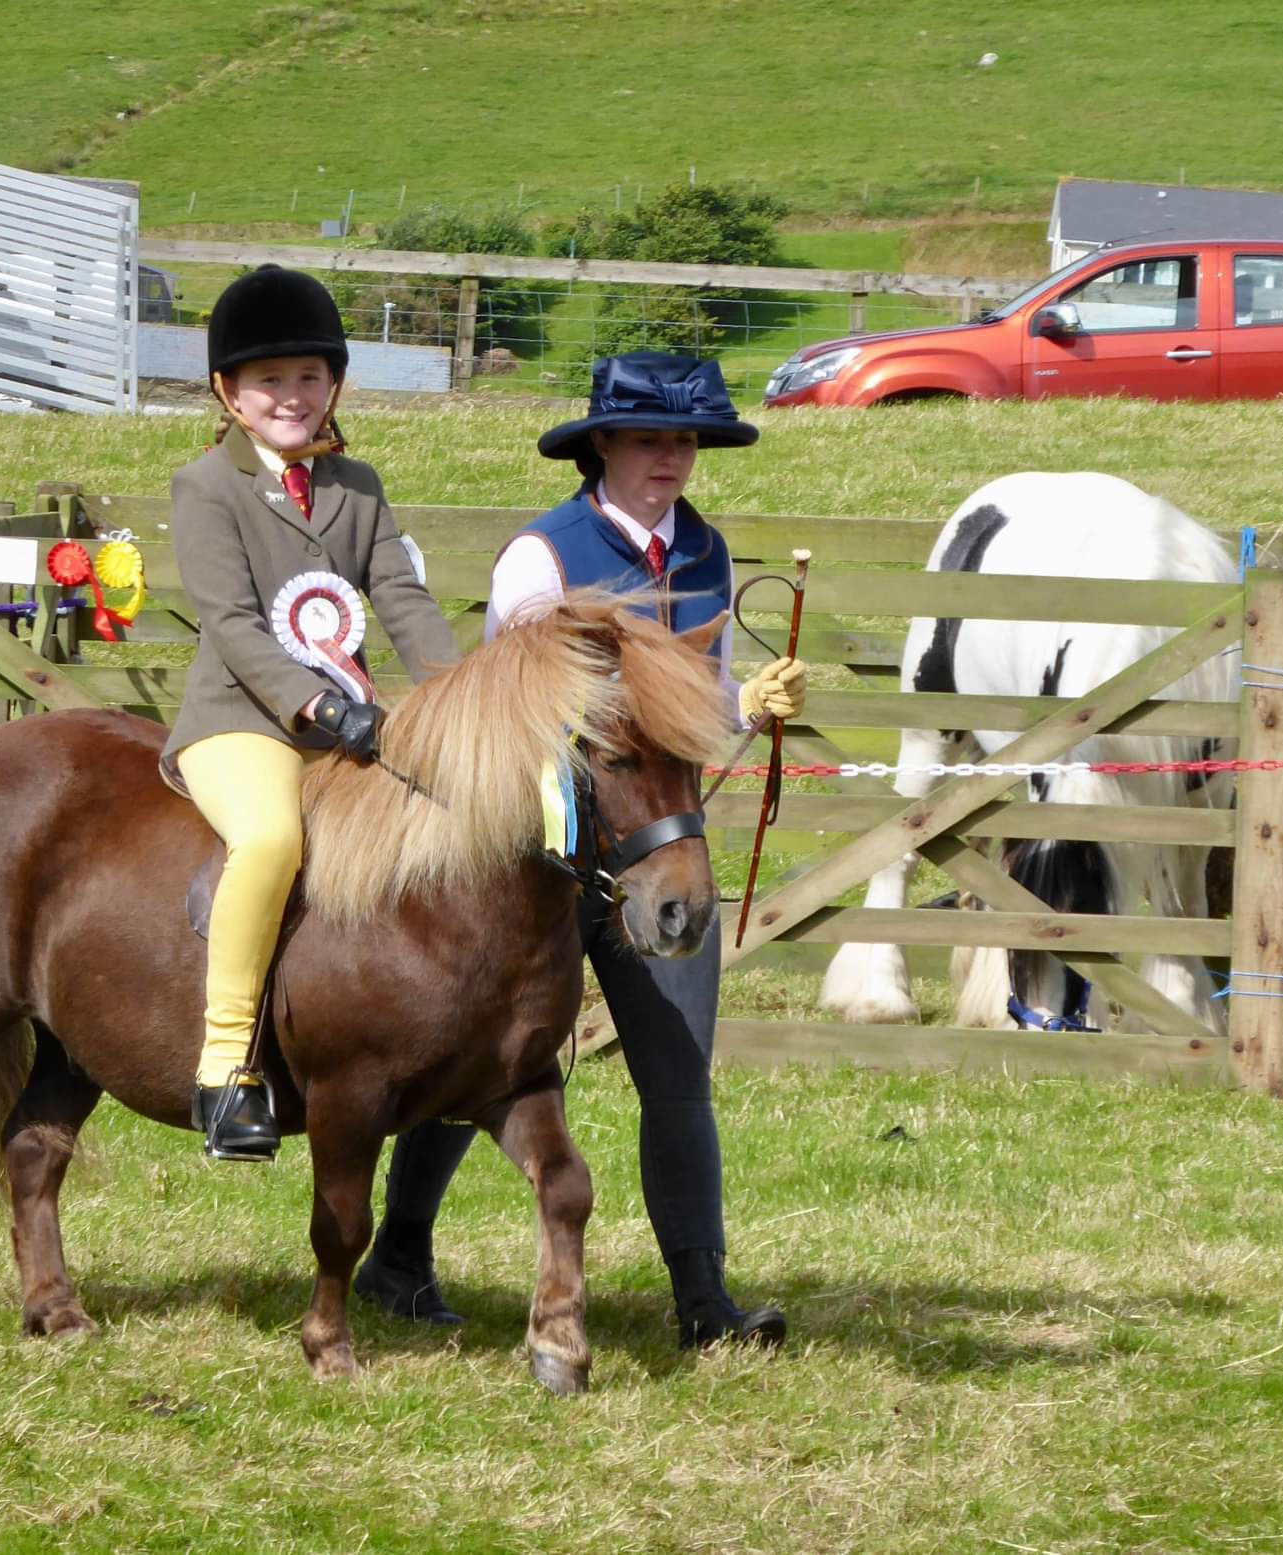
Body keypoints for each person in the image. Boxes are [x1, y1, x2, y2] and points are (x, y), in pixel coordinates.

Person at [352, 352, 806, 1349]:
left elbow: (687, 716)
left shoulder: (707, 553)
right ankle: (397, 1253)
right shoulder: (538, 559)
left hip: (654, 851)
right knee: (475, 1065)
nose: (670, 458)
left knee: (677, 1076)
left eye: (684, 440)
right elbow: (511, 719)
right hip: (543, 863)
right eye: (649, 437)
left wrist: (743, 704)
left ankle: (703, 1301)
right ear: (600, 444)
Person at [165, 264, 461, 1161]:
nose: (290, 397)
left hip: (351, 719)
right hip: (240, 721)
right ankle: (224, 1069)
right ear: (228, 391)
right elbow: (235, 626)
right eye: (268, 380)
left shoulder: (358, 485)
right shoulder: (205, 488)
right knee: (271, 841)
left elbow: (401, 599)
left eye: (307, 377)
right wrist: (323, 707)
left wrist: (460, 699)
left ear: (335, 383)